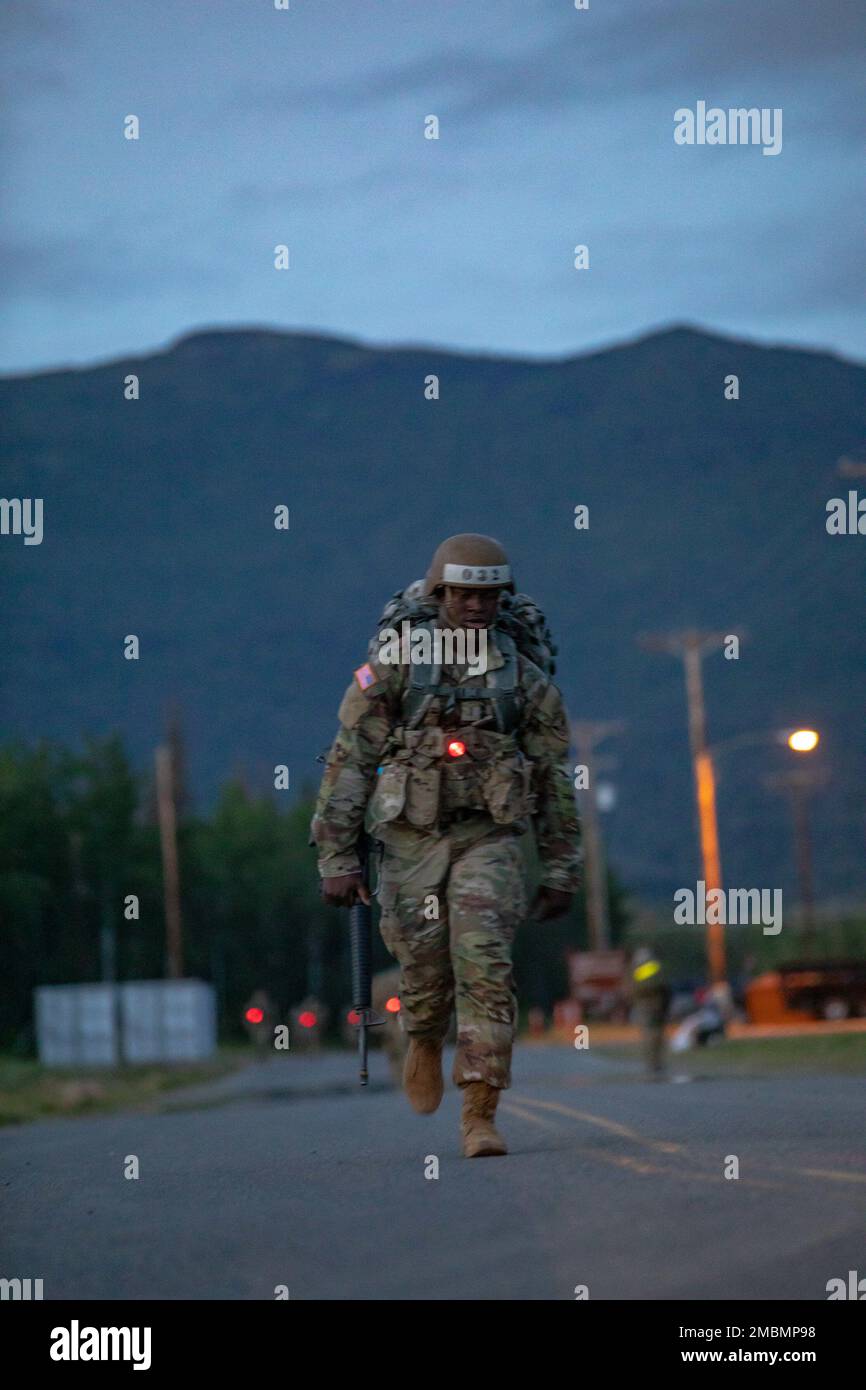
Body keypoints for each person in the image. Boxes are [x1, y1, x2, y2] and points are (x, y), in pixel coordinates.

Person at [311, 534, 581, 1157]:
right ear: (440, 594)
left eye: (489, 594)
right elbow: (351, 761)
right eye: (464, 592)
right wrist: (337, 857)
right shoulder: (397, 666)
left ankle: (480, 1114)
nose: (477, 605)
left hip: (489, 837)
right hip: (410, 841)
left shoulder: (524, 678)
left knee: (485, 961)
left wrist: (562, 864)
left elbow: (552, 777)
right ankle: (425, 1035)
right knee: (424, 970)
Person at [631, 947, 672, 1078]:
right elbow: (658, 985)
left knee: (653, 1035)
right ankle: (654, 1063)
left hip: (650, 1005)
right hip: (652, 1005)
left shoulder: (638, 969)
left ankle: (654, 1063)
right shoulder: (653, 968)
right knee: (654, 1035)